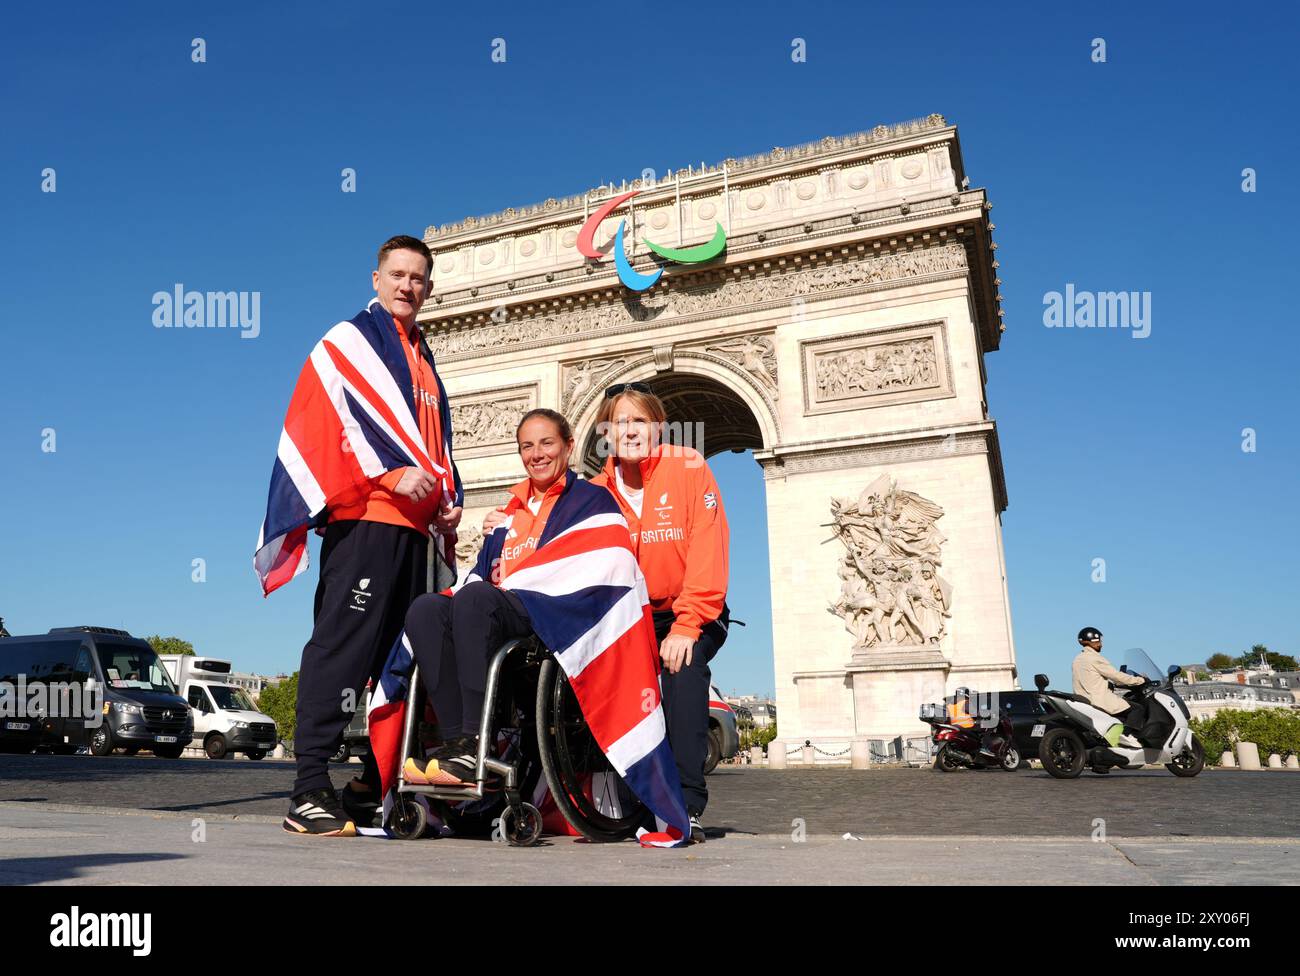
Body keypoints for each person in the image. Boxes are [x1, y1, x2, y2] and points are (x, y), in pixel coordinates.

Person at [259, 235, 463, 837]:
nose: (407, 285)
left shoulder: (425, 357)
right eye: (397, 274)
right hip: (367, 521)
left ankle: (372, 783)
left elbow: (432, 444)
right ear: (375, 279)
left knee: (399, 656)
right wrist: (387, 470)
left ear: (429, 287)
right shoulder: (347, 343)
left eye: (418, 277)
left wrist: (447, 501)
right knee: (342, 647)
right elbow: (332, 417)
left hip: (417, 531)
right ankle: (308, 788)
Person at [483, 383, 729, 842]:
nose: (629, 431)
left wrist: (688, 624)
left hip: (686, 609)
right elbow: (547, 533)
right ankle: (612, 792)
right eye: (619, 423)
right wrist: (508, 521)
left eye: (639, 421)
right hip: (623, 613)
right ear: (604, 434)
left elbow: (707, 550)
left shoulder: (690, 469)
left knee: (681, 670)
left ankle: (686, 803)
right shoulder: (593, 492)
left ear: (658, 426)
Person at [1071, 627, 1147, 738]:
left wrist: (1109, 684)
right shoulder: (1095, 658)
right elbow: (1116, 676)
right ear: (1093, 641)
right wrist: (1140, 680)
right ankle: (1127, 739)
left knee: (1121, 715)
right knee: (1137, 709)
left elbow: (1090, 678)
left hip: (1084, 700)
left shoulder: (1077, 659)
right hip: (1099, 700)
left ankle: (1115, 738)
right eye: (1099, 641)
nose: (1101, 644)